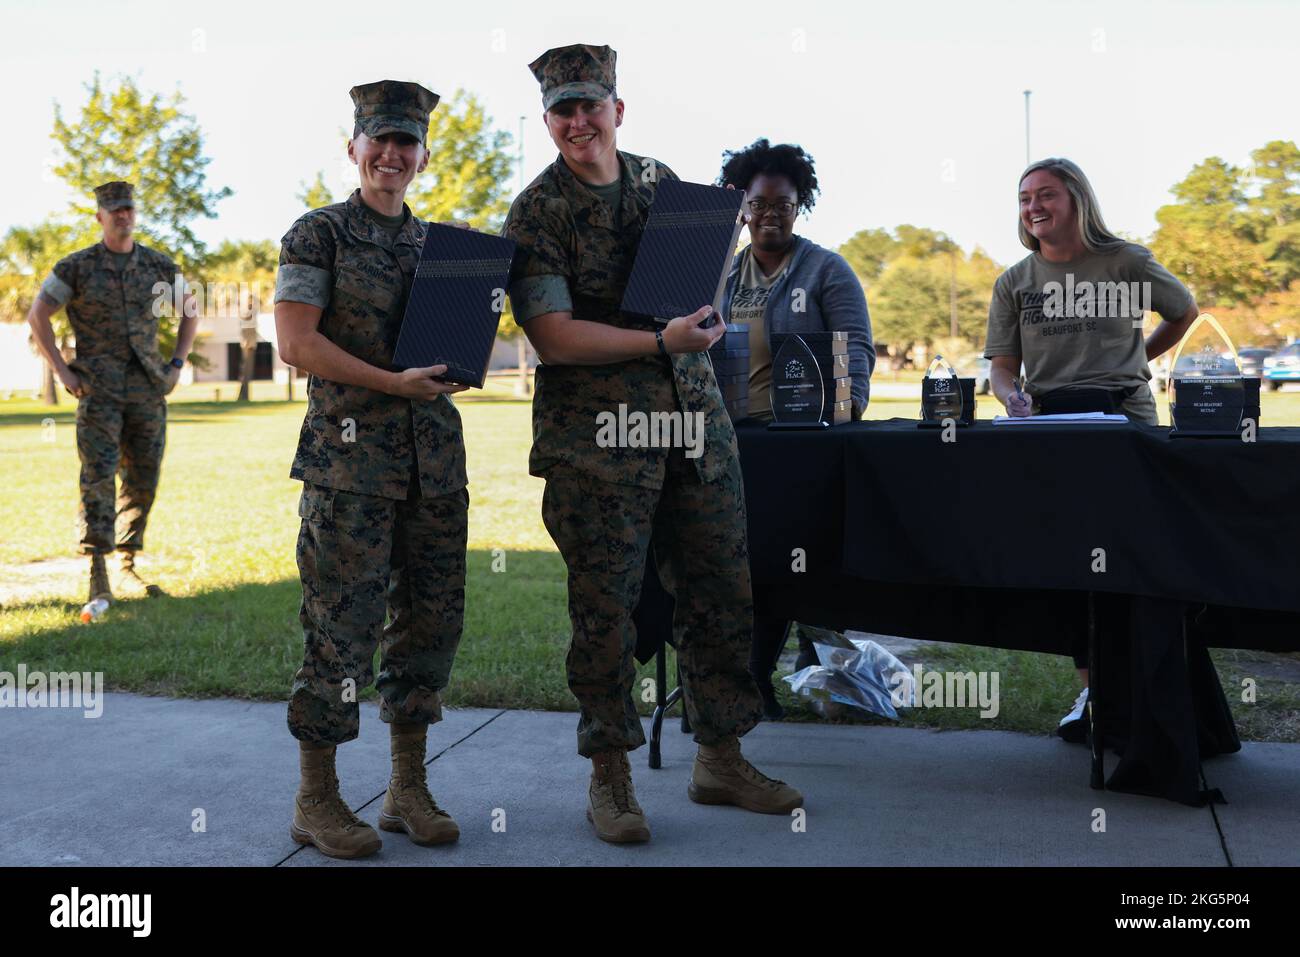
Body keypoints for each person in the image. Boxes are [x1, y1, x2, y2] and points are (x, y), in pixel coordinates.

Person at [502, 43, 803, 845]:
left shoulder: (663, 183)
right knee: (605, 610)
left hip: (693, 428)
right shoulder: (537, 212)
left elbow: (695, 296)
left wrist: (701, 297)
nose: (577, 121)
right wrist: (660, 341)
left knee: (719, 591)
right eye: (562, 109)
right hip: (598, 440)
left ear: (617, 110)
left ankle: (721, 756)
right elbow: (555, 337)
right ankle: (610, 774)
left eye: (590, 105)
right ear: (548, 121)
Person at [273, 80, 470, 859]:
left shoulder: (444, 251)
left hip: (433, 466)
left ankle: (405, 788)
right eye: (377, 140)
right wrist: (392, 383)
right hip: (349, 463)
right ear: (352, 146)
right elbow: (297, 343)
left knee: (429, 629)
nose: (392, 154)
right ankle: (316, 799)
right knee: (340, 633)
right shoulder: (316, 234)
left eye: (407, 142)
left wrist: (452, 371)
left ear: (424, 155)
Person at [983, 156, 1198, 740]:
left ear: (1077, 199)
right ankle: (1094, 695)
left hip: (1125, 424)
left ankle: (1153, 695)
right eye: (1025, 198)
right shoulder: (1015, 281)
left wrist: (1134, 364)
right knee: (1072, 562)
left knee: (1134, 558)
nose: (1034, 207)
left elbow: (1184, 312)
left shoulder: (1126, 261)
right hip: (1052, 426)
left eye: (1046, 195)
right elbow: (1003, 370)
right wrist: (1012, 399)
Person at [716, 139, 876, 718]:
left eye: (782, 204)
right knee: (752, 560)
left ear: (799, 205)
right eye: (757, 205)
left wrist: (849, 402)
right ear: (741, 207)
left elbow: (856, 344)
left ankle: (830, 681)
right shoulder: (725, 273)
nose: (768, 216)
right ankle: (754, 680)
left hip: (803, 442)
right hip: (737, 439)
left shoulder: (825, 268)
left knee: (804, 558)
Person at [26, 181, 196, 611]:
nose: (123, 215)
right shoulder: (76, 268)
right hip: (97, 389)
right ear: (100, 217)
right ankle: (97, 571)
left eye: (128, 209)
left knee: (144, 476)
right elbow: (38, 315)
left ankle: (127, 560)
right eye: (114, 210)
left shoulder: (158, 266)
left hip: (146, 387)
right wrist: (62, 371)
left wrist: (176, 364)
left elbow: (190, 311)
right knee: (98, 477)